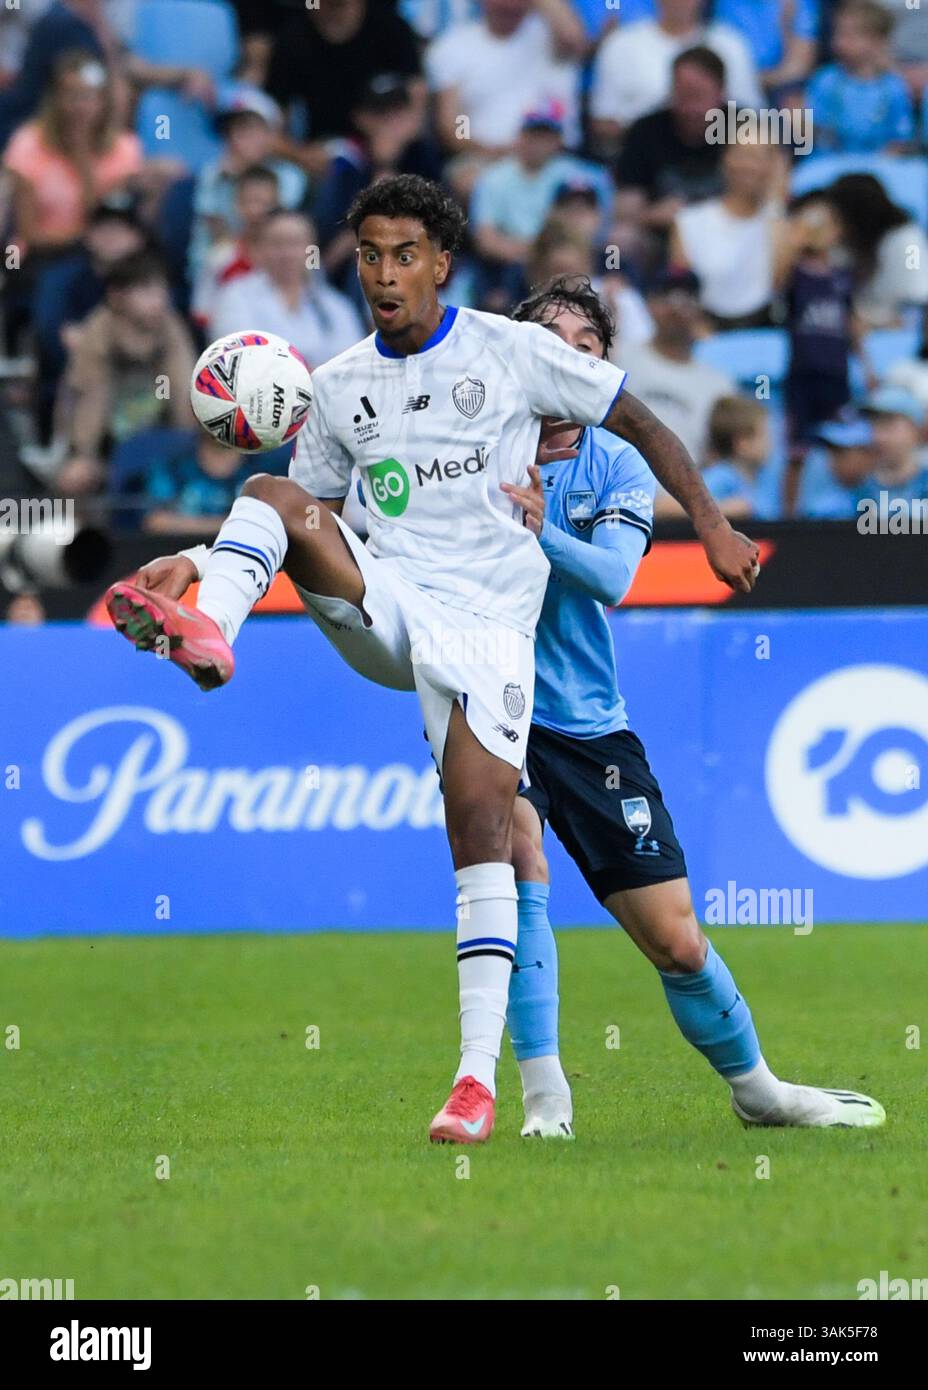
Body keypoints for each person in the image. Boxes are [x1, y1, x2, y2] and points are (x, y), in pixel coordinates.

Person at [103, 174, 760, 1144]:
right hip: (394, 599)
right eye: (367, 254)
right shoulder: (335, 388)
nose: (383, 273)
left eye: (403, 252)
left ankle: (474, 1081)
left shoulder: (509, 353)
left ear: (441, 261)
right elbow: (304, 517)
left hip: (491, 628)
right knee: (272, 497)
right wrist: (197, 560)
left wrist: (710, 524)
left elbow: (643, 422)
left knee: (483, 832)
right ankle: (210, 627)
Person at [500, 275, 885, 1137]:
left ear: (602, 367)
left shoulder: (616, 463)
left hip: (589, 724)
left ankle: (759, 1091)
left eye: (586, 348)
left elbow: (611, 577)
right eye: (548, 340)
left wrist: (537, 528)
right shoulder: (478, 439)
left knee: (675, 940)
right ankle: (545, 1103)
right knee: (517, 854)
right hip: (491, 703)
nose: (565, 356)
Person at [60, 251, 197, 494]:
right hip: (104, 450)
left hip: (160, 443)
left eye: (162, 290)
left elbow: (184, 396)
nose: (159, 301)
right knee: (75, 477)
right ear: (116, 297)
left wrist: (189, 451)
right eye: (146, 291)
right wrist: (84, 455)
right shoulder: (98, 336)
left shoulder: (171, 330)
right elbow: (88, 404)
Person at [2, 50, 142, 257]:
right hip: (40, 257)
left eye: (88, 96)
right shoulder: (27, 142)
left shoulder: (125, 149)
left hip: (100, 256)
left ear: (104, 101)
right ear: (56, 98)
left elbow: (107, 221)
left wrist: (82, 162)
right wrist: (83, 239)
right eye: (72, 94)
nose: (79, 106)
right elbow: (28, 232)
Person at [426, 0, 585, 180]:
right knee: (469, 180)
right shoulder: (453, 47)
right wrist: (487, 149)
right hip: (484, 159)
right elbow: (454, 125)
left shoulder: (551, 38)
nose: (510, 6)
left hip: (555, 157)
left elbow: (572, 36)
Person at [589, 0, 762, 157]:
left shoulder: (731, 44)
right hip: (642, 157)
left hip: (721, 161)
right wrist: (653, 128)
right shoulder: (620, 44)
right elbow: (602, 120)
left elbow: (752, 118)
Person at [612, 46, 730, 273]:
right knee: (620, 239)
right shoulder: (645, 131)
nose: (690, 109)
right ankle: (623, 300)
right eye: (682, 96)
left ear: (721, 92)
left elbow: (770, 200)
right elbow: (625, 213)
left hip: (729, 235)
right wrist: (653, 215)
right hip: (661, 237)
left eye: (698, 97)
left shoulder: (744, 129)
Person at [616, 268, 734, 485]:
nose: (676, 307)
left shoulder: (719, 384)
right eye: (666, 296)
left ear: (699, 310)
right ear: (649, 305)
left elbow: (720, 458)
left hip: (685, 498)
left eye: (687, 298)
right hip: (622, 486)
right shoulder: (619, 360)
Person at [210, 209, 366, 369]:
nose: (287, 253)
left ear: (312, 251)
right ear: (259, 249)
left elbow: (353, 364)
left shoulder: (336, 305)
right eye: (277, 243)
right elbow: (238, 359)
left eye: (295, 243)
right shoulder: (235, 295)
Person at [670, 140, 788, 329]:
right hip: (704, 337)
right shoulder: (689, 221)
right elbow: (682, 292)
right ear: (725, 158)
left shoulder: (784, 226)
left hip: (763, 336)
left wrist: (775, 202)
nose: (749, 165)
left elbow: (776, 284)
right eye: (742, 154)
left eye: (760, 156)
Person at [804, 0, 914, 153]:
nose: (840, 42)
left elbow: (899, 138)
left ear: (877, 40)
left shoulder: (893, 86)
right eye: (838, 33)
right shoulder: (825, 80)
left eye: (850, 35)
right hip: (830, 161)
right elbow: (814, 130)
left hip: (879, 165)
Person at [825, 174, 928, 331]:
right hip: (855, 327)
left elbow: (918, 303)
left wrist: (874, 323)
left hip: (896, 336)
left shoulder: (908, 242)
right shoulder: (849, 244)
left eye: (840, 218)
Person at [701, 396, 771, 518]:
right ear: (742, 443)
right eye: (763, 435)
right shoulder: (722, 474)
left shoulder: (759, 478)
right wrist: (725, 509)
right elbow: (665, 506)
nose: (769, 442)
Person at [858, 386, 928, 506]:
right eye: (873, 425)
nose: (878, 437)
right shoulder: (858, 489)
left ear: (915, 429)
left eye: (888, 425)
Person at [796, 414, 874, 518]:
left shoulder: (881, 490)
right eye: (830, 451)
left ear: (866, 454)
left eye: (841, 452)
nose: (832, 460)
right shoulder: (823, 494)